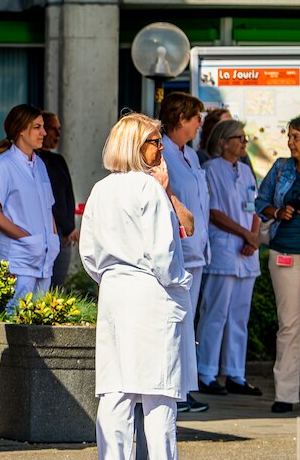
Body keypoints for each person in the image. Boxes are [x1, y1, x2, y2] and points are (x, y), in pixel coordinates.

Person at [79, 113, 194, 460]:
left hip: (114, 291)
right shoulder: (149, 188)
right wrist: (179, 282)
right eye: (154, 142)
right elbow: (164, 253)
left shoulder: (101, 188)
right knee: (159, 393)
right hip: (150, 293)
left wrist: (112, 276)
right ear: (134, 146)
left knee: (116, 393)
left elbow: (88, 253)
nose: (161, 148)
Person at [195, 119, 262, 398]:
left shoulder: (246, 171)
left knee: (239, 316)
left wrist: (254, 237)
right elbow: (214, 212)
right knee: (215, 313)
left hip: (246, 253)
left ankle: (235, 373)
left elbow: (256, 205)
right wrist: (246, 234)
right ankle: (206, 372)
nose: (244, 143)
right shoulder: (210, 170)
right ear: (223, 141)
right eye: (239, 138)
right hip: (224, 250)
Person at [255, 114, 300, 414]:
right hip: (284, 254)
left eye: (296, 137)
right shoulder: (281, 169)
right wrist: (278, 213)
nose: (290, 142)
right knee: (288, 326)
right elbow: (259, 202)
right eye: (289, 136)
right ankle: (286, 394)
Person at [157, 92, 210, 414]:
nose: (199, 124)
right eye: (195, 118)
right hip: (178, 250)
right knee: (177, 321)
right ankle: (177, 390)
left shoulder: (190, 155)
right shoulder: (163, 154)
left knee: (189, 322)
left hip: (197, 248)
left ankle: (186, 388)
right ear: (180, 119)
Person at [0, 104, 58, 312]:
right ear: (21, 130)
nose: (44, 132)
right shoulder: (3, 165)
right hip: (18, 260)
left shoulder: (40, 165)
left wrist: (52, 240)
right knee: (16, 321)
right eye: (37, 127)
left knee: (40, 324)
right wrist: (27, 238)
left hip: (44, 261)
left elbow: (48, 208)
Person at [38, 111, 78, 288]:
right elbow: (48, 200)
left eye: (59, 129)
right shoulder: (35, 160)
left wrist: (71, 226)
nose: (57, 134)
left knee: (57, 285)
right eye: (53, 129)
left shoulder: (58, 160)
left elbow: (68, 195)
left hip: (65, 232)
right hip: (47, 230)